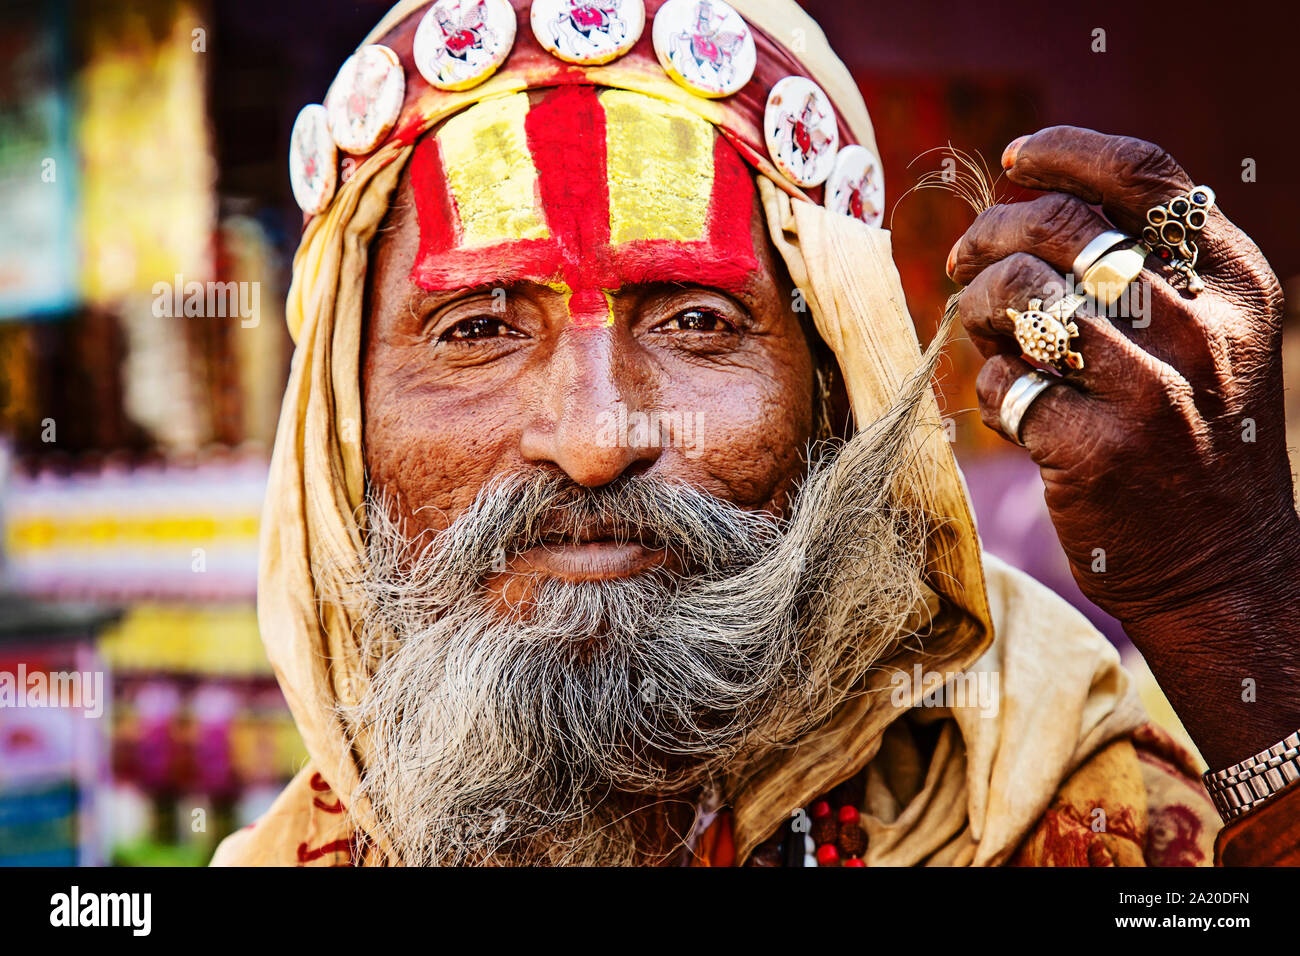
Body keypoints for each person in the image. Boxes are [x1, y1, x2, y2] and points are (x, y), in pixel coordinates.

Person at [214, 0, 1300, 866]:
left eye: (698, 320)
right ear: (342, 426)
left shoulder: (1066, 812)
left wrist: (1229, 598)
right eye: (478, 326)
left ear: (837, 385)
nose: (595, 438)